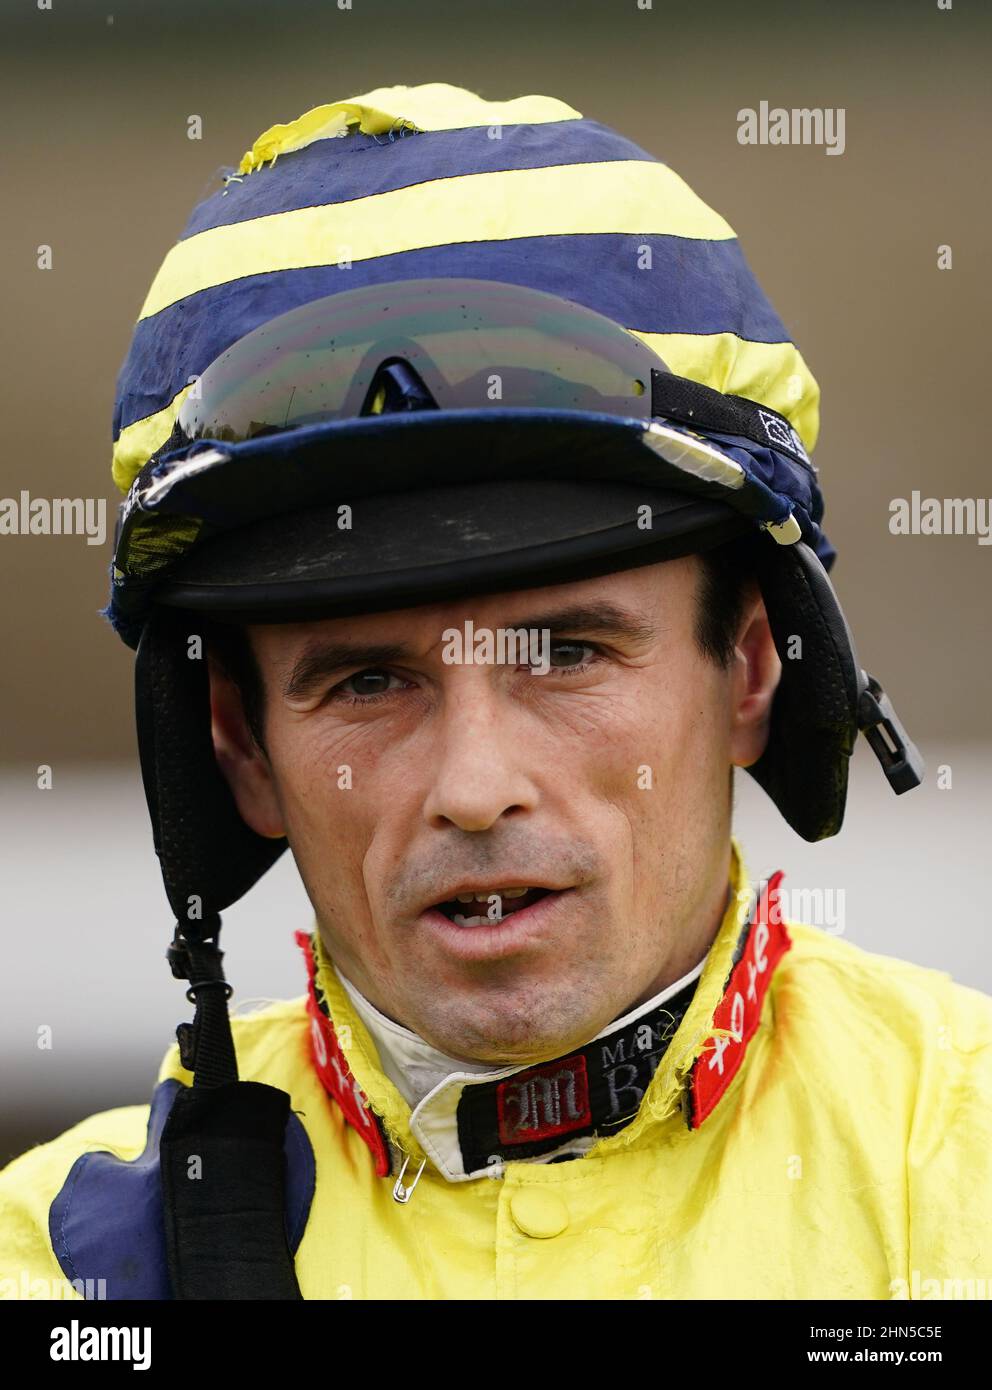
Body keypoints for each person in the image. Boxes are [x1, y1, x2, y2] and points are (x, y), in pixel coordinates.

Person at [1, 82, 987, 1303]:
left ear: (747, 670)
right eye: (367, 679)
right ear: (239, 748)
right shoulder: (64, 1268)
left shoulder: (965, 1170)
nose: (473, 788)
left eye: (567, 653)